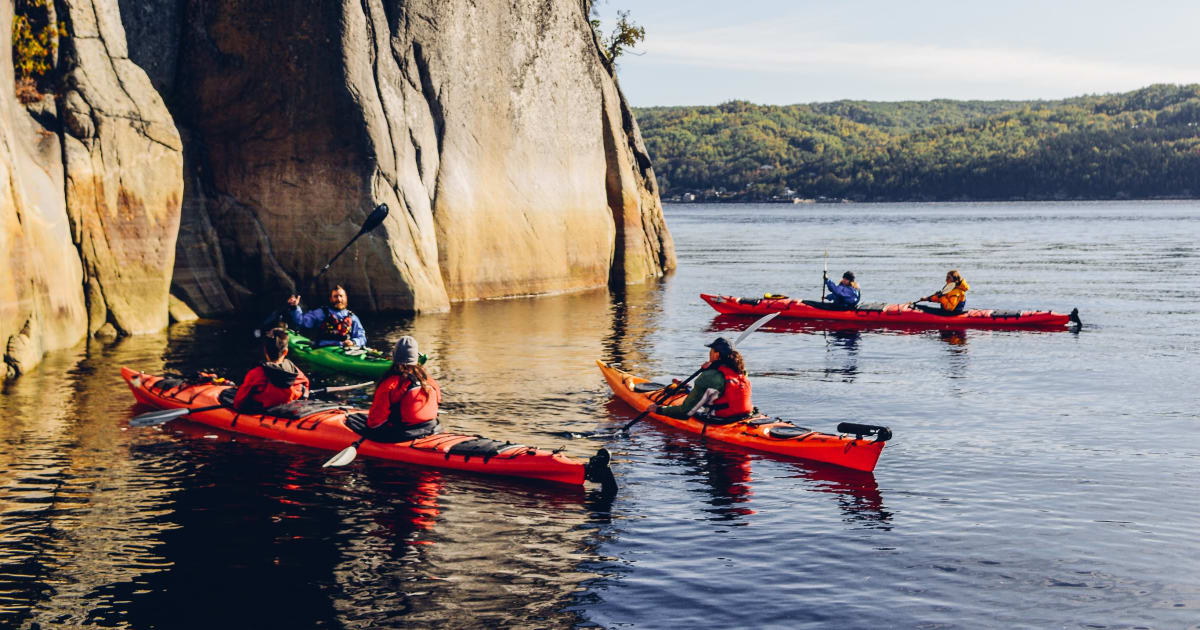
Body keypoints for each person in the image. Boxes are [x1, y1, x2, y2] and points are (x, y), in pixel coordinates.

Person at [346, 336, 442, 442]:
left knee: (353, 420)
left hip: (403, 434)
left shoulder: (390, 384)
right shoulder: (429, 381)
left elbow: (374, 423)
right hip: (431, 427)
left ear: (394, 357)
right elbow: (437, 404)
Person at [645, 337, 753, 422]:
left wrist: (658, 409)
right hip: (745, 414)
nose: (709, 353)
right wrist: (713, 366)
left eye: (711, 350)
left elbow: (685, 412)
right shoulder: (741, 372)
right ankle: (687, 388)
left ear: (716, 354)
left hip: (721, 418)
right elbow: (721, 388)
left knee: (693, 407)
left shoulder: (709, 376)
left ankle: (687, 390)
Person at [233, 328, 310, 412]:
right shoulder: (296, 373)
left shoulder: (256, 374)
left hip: (263, 413)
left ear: (265, 351)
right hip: (290, 412)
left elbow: (238, 403)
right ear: (285, 352)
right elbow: (305, 389)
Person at [286, 285, 367, 348]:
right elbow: (302, 323)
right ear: (331, 299)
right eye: (335, 296)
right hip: (324, 348)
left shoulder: (352, 317)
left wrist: (354, 342)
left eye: (341, 296)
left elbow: (362, 337)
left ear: (346, 298)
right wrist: (294, 307)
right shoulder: (321, 313)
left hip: (344, 350)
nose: (338, 299)